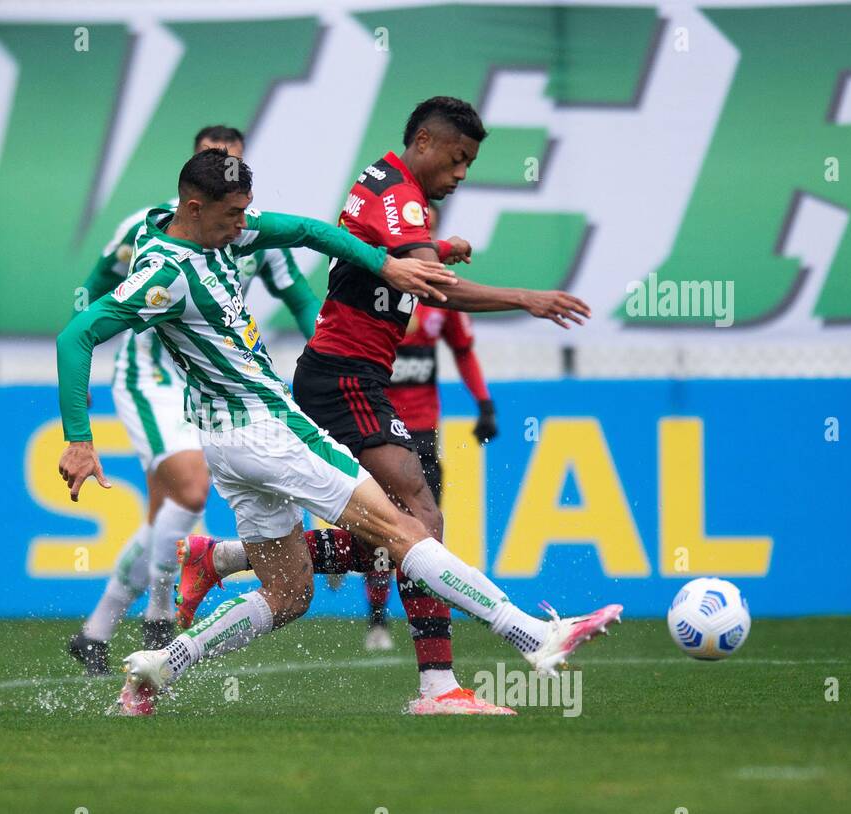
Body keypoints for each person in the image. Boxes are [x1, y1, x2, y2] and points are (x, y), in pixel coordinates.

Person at [55, 149, 621, 717]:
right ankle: (532, 637)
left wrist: (389, 264)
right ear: (196, 208)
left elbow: (307, 230)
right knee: (405, 527)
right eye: (232, 215)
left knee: (287, 593)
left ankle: (161, 667)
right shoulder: (165, 273)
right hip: (266, 430)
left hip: (228, 445)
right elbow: (76, 335)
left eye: (246, 212)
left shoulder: (209, 231)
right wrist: (80, 439)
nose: (242, 224)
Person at [177, 96, 595, 713]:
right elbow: (437, 292)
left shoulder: (395, 190)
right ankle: (440, 687)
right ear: (423, 142)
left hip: (351, 378)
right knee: (421, 518)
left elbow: (382, 259)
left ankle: (226, 557)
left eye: (469, 165)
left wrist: (431, 251)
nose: (461, 175)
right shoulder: (398, 194)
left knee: (403, 530)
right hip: (343, 378)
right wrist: (525, 297)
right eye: (457, 160)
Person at [67, 126, 320, 675]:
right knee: (192, 488)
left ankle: (96, 630)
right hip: (149, 377)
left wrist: (326, 358)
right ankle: (159, 619)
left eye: (235, 163)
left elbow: (299, 295)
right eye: (215, 161)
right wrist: (77, 355)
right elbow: (92, 288)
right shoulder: (147, 227)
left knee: (168, 512)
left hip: (208, 384)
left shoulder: (246, 232)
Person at [362, 201, 495, 650]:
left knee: (425, 523)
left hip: (422, 428)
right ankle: (378, 617)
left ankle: (427, 628)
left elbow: (463, 349)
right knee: (380, 523)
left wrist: (484, 403)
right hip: (376, 426)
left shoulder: (442, 293)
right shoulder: (376, 280)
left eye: (430, 229)